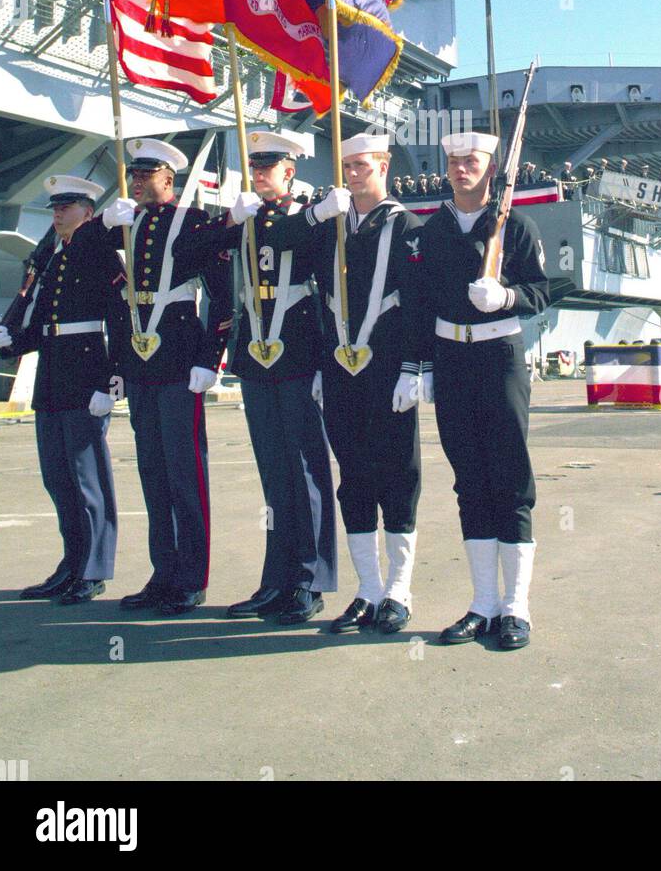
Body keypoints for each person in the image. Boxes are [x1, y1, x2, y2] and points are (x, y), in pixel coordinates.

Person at [264, 132, 425, 635]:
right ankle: (367, 589)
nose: (353, 174)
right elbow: (278, 242)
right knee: (352, 478)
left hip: (388, 364)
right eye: (347, 166)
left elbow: (419, 304)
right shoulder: (331, 224)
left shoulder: (407, 225)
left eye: (363, 165)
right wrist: (314, 214)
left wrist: (415, 368)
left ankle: (399, 589)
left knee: (397, 476)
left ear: (384, 165)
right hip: (338, 368)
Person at [416, 131, 549, 651]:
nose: (460, 169)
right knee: (468, 479)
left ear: (490, 169)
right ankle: (483, 602)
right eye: (452, 162)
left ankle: (517, 606)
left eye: (470, 161)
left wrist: (507, 296)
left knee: (510, 477)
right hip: (452, 360)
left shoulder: (516, 225)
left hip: (500, 359)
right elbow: (421, 302)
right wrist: (422, 366)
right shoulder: (434, 231)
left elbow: (542, 290)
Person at [201, 131, 337, 623]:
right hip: (256, 355)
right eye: (254, 167)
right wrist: (230, 218)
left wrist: (327, 362)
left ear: (290, 171)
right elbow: (197, 250)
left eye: (268, 167)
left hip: (299, 350)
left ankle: (309, 579)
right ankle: (275, 578)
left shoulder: (311, 215)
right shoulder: (247, 215)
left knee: (305, 470)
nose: (258, 175)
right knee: (274, 473)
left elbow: (304, 253)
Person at [100, 139, 234, 615]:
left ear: (169, 178)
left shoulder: (195, 223)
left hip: (179, 355)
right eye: (133, 175)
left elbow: (222, 297)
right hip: (141, 363)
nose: (137, 183)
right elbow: (83, 256)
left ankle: (192, 578)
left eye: (146, 175)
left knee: (184, 472)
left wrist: (210, 357)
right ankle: (164, 572)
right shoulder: (126, 222)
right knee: (152, 471)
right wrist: (104, 223)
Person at [0, 176, 122, 603]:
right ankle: (71, 563)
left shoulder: (99, 252)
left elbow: (120, 317)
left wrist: (110, 382)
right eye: (55, 207)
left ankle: (93, 568)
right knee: (58, 478)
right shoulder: (50, 259)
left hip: (86, 371)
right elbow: (44, 324)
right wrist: (11, 341)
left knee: (86, 477)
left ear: (87, 211)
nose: (58, 213)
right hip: (52, 374)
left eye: (67, 206)